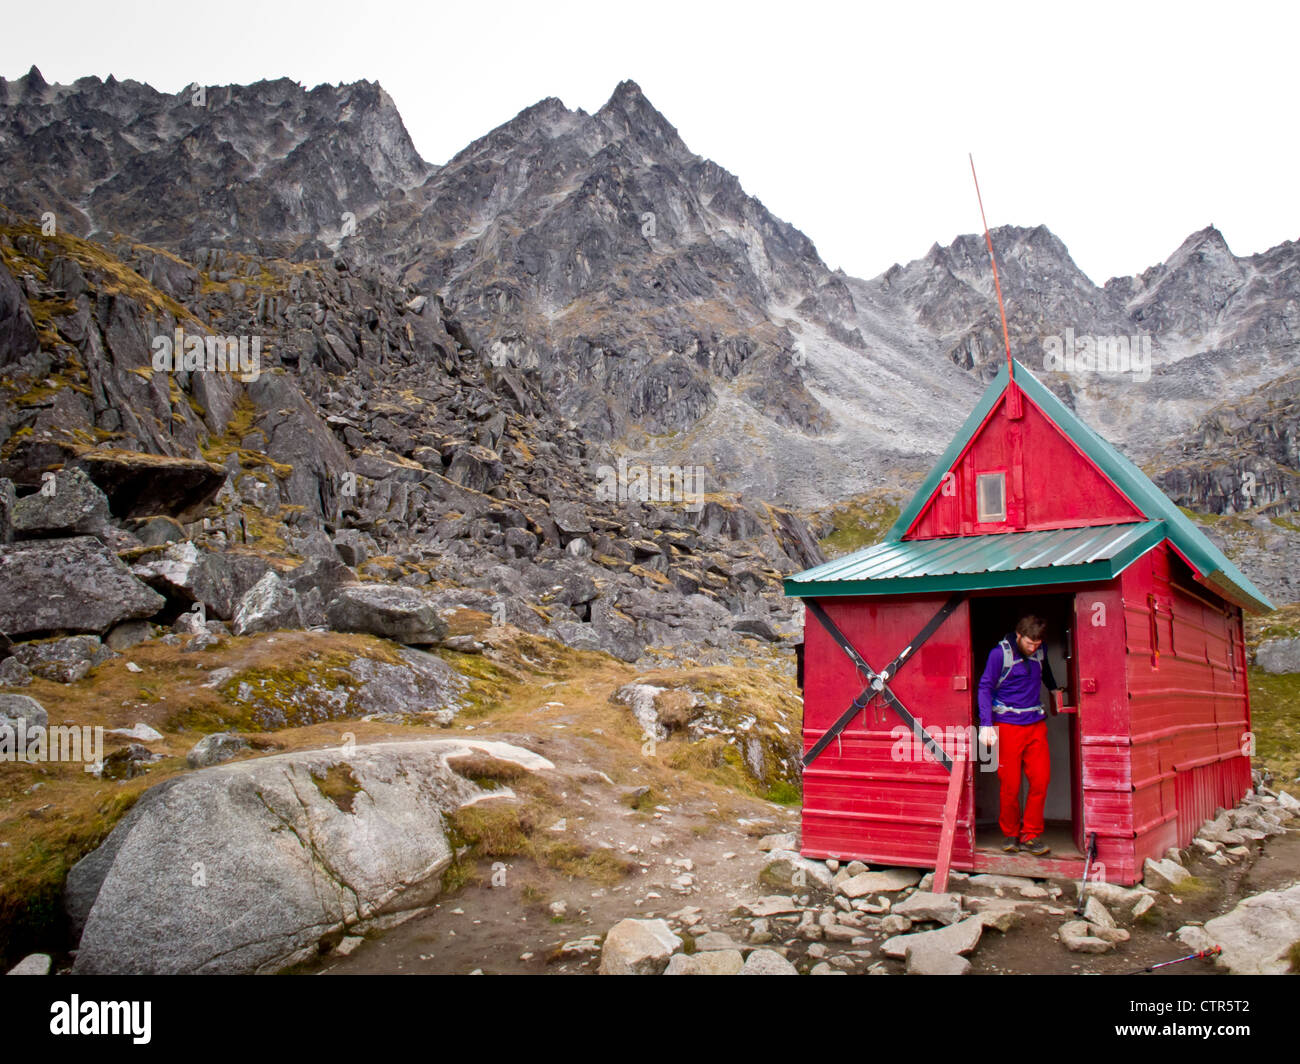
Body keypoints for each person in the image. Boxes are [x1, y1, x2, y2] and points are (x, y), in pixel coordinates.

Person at [977, 614, 1063, 855]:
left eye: (1036, 644)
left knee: (1040, 781)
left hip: (1035, 724)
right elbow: (984, 687)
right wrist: (985, 724)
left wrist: (1055, 691)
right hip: (1005, 725)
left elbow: (1045, 672)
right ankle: (1011, 834)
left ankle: (1031, 835)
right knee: (1010, 786)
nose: (1033, 647)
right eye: (1029, 643)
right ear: (1018, 635)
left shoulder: (1040, 650)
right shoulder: (999, 654)